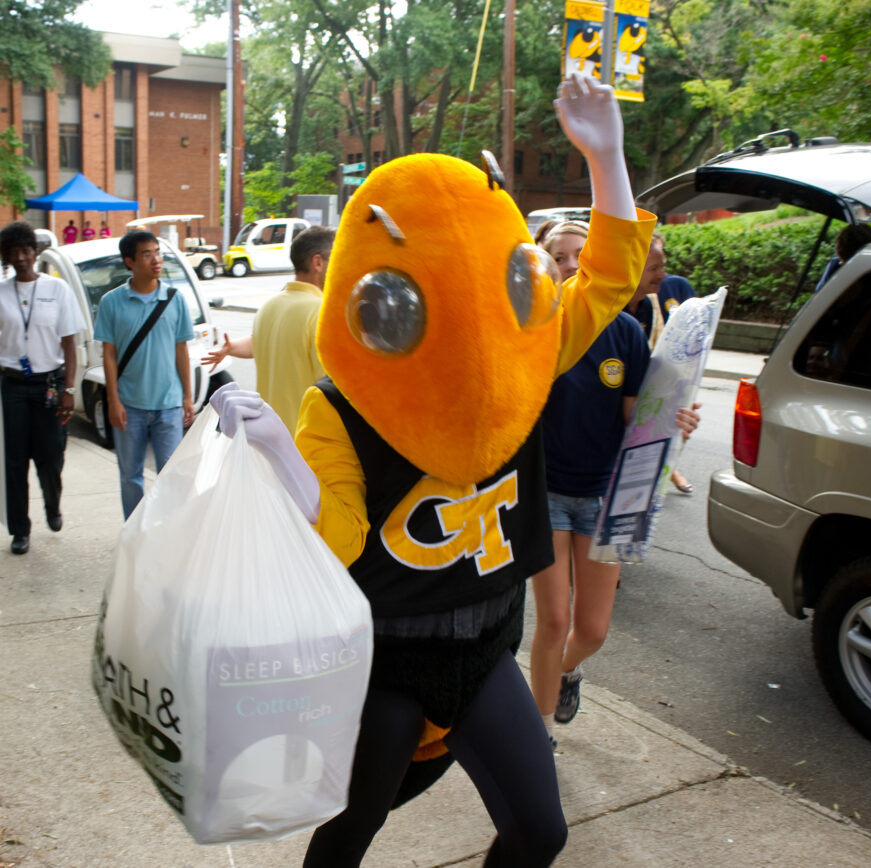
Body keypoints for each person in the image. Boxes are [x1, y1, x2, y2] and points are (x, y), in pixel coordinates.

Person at [212, 72, 656, 867]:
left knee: (541, 828)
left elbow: (608, 278)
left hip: (485, 643)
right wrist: (281, 452)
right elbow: (339, 540)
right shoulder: (342, 409)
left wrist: (607, 158)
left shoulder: (529, 362)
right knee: (351, 828)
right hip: (392, 656)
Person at [530, 222, 700, 748]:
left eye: (581, 253)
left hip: (606, 497)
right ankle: (537, 736)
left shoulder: (625, 332)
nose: (572, 263)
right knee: (554, 620)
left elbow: (637, 419)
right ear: (545, 266)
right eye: (559, 256)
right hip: (548, 494)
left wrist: (675, 421)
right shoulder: (536, 328)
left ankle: (557, 676)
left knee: (594, 630)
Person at [93, 230, 195, 519]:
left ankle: (167, 535)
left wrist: (187, 396)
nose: (156, 260)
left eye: (157, 253)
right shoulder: (111, 302)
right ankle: (135, 534)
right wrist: (113, 400)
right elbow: (109, 355)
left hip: (169, 405)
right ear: (129, 261)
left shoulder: (175, 299)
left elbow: (181, 351)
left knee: (171, 476)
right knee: (130, 476)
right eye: (147, 254)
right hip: (129, 405)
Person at [0, 221, 85, 554]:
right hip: (12, 386)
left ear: (35, 253)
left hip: (49, 385)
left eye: (25, 251)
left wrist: (69, 389)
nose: (20, 258)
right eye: (13, 252)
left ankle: (53, 504)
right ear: (6, 256)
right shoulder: (2, 292)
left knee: (51, 455)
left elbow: (69, 342)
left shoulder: (57, 290)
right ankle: (20, 530)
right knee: (15, 460)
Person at [201, 226, 333, 435]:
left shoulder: (270, 306)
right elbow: (330, 391)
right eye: (336, 259)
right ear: (318, 262)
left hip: (269, 441)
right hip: (306, 446)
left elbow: (262, 342)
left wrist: (231, 347)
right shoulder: (322, 313)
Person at [625, 234, 695, 493]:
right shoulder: (610, 311)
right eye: (654, 268)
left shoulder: (647, 306)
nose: (663, 275)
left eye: (662, 267)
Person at [813, 223, 871, 293]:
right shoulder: (835, 265)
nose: (840, 263)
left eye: (842, 261)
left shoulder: (835, 268)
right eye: (841, 260)